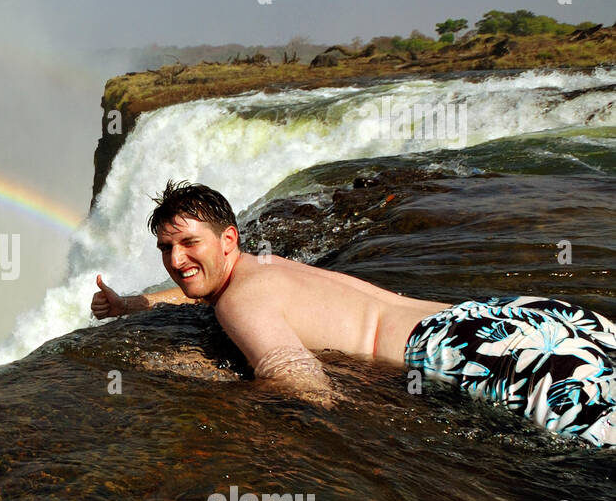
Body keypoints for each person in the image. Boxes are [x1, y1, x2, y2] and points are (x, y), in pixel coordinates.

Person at [90, 179, 616, 448]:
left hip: (463, 349)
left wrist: (211, 396)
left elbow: (302, 380)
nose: (176, 260)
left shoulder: (239, 300)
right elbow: (194, 287)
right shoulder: (262, 267)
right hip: (513, 317)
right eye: (165, 248)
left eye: (188, 243)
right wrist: (133, 304)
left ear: (228, 239)